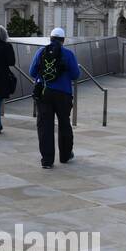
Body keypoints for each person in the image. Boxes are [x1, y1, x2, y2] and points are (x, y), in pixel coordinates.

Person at [28, 26, 79, 169]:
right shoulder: (68, 54)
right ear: (63, 40)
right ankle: (65, 155)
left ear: (50, 39)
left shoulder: (41, 52)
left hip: (44, 92)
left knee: (45, 126)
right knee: (64, 124)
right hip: (63, 94)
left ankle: (47, 160)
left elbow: (32, 71)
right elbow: (76, 75)